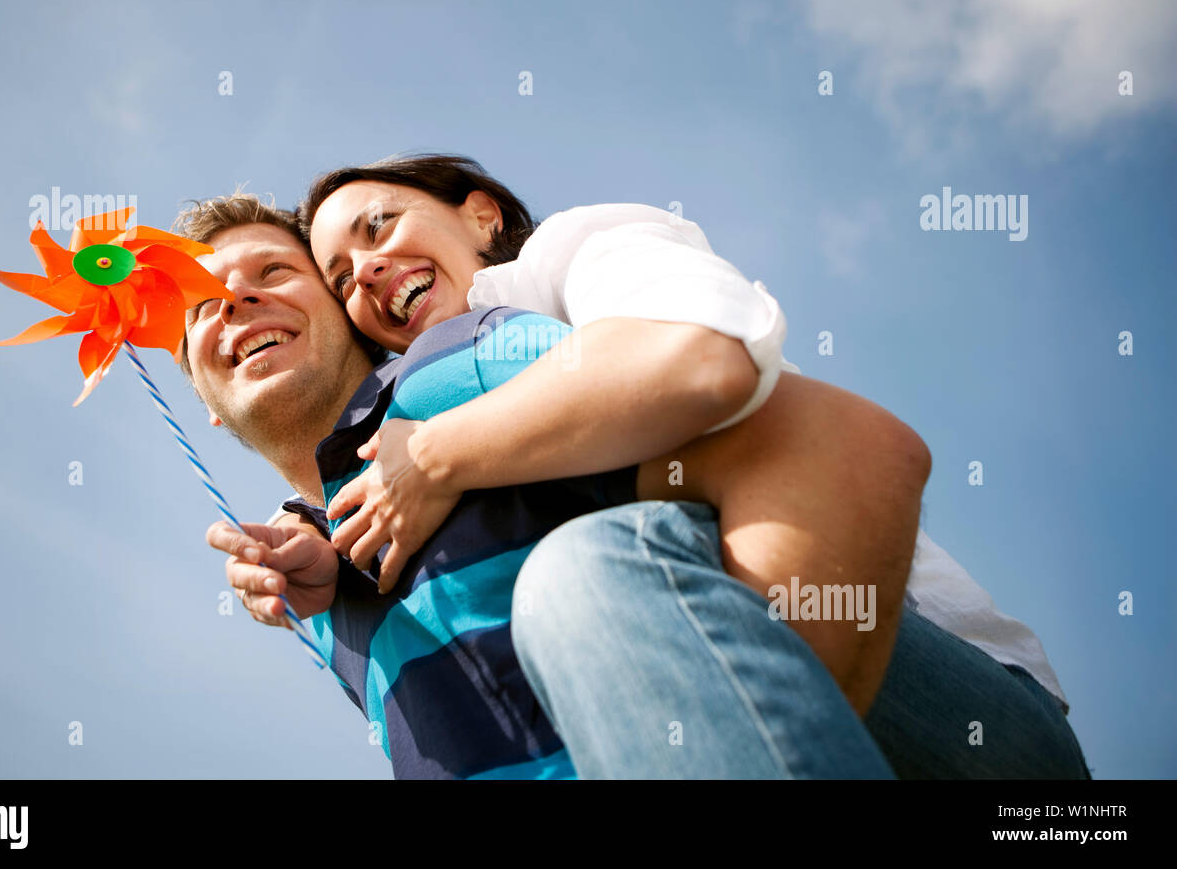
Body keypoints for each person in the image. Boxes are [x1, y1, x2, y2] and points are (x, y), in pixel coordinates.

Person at [176, 192, 1090, 779]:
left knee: (582, 571)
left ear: (480, 215)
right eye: (341, 271)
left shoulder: (492, 340)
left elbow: (829, 435)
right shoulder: (319, 562)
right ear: (205, 404)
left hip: (961, 729)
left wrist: (441, 449)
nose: (238, 303)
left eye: (276, 274)